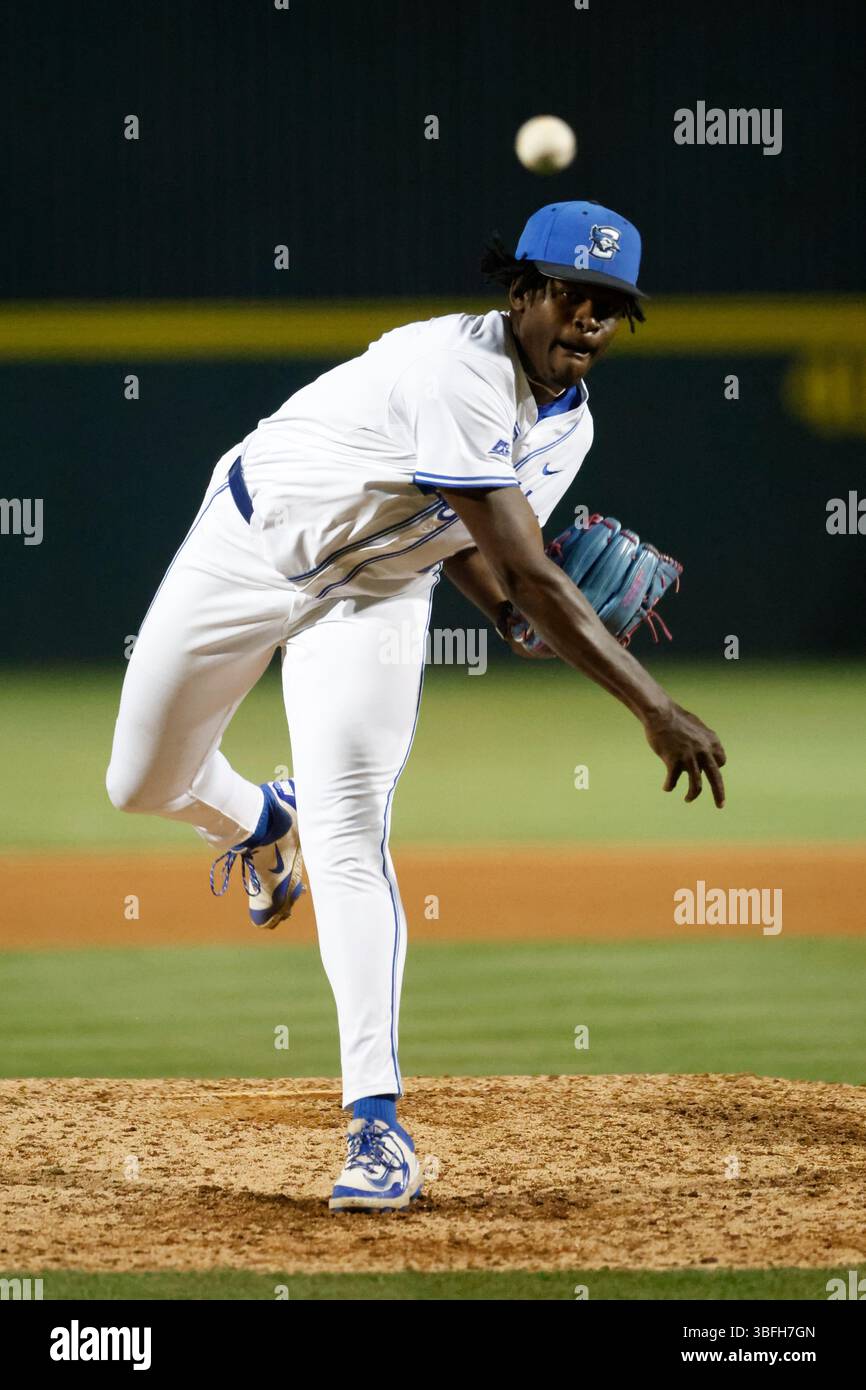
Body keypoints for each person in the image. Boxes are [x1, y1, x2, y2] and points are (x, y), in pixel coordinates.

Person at [106, 200, 726, 1211]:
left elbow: (477, 545)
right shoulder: (457, 368)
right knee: (138, 783)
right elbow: (531, 569)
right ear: (521, 289)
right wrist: (651, 704)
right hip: (249, 549)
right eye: (571, 294)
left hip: (374, 598)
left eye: (609, 308)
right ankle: (265, 821)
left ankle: (375, 1127)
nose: (586, 321)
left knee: (353, 837)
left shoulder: (570, 425)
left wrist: (509, 618)